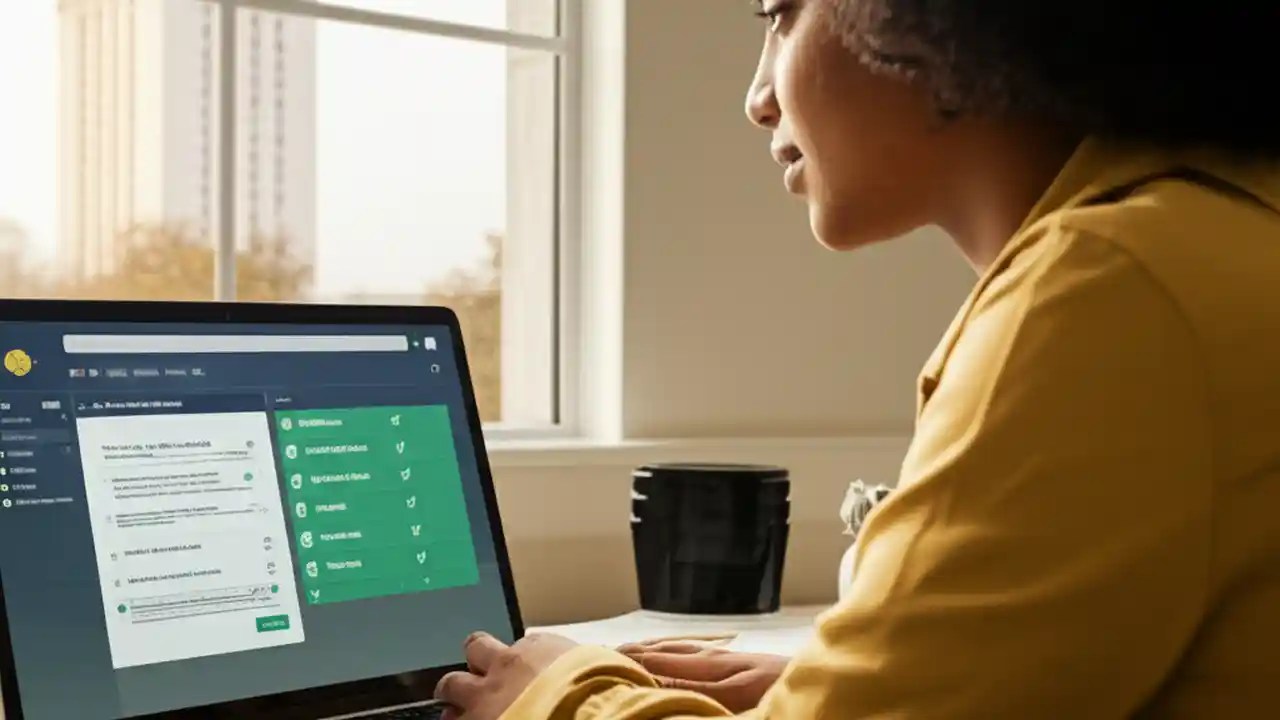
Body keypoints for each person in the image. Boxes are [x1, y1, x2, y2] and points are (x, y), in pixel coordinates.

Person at [435, 0, 1280, 717]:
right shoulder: (1218, 236)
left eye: (780, 14)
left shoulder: (1108, 292)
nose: (757, 99)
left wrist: (562, 694)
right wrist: (850, 679)